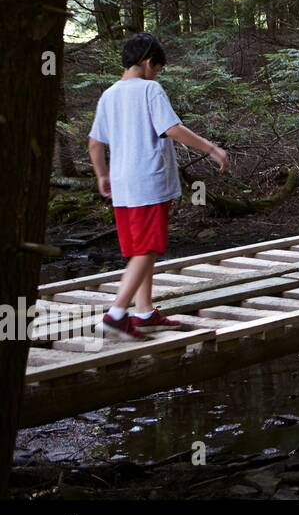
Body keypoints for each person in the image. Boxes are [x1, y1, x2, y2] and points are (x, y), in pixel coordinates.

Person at [88, 32, 229, 340]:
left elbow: (95, 142)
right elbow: (172, 129)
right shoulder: (150, 89)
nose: (156, 75)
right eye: (157, 69)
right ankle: (116, 315)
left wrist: (102, 175)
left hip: (123, 186)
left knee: (139, 250)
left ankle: (144, 312)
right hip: (148, 181)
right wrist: (211, 148)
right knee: (148, 248)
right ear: (149, 62)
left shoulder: (109, 94)